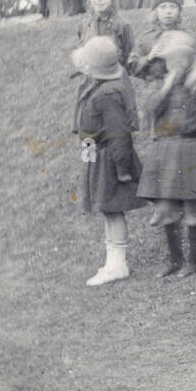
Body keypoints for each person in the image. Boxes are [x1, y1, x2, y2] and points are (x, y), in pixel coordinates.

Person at [136, 31, 196, 277]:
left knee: (191, 208)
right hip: (163, 149)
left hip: (189, 149)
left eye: (182, 60)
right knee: (168, 209)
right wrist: (168, 84)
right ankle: (174, 259)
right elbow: (148, 111)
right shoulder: (160, 85)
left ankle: (194, 260)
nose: (176, 65)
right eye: (172, 60)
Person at [72, 36, 147, 286]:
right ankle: (112, 261)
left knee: (113, 210)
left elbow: (119, 135)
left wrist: (123, 169)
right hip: (100, 156)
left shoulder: (108, 94)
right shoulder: (100, 86)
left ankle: (118, 265)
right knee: (107, 209)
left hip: (111, 161)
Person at [77, 0, 133, 68]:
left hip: (115, 76)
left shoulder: (122, 25)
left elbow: (129, 55)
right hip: (91, 75)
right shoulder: (83, 25)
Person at [129, 0, 184, 77]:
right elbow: (132, 68)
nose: (168, 11)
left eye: (173, 6)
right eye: (163, 7)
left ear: (179, 11)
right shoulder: (144, 39)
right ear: (155, 11)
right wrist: (148, 57)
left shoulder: (186, 36)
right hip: (152, 88)